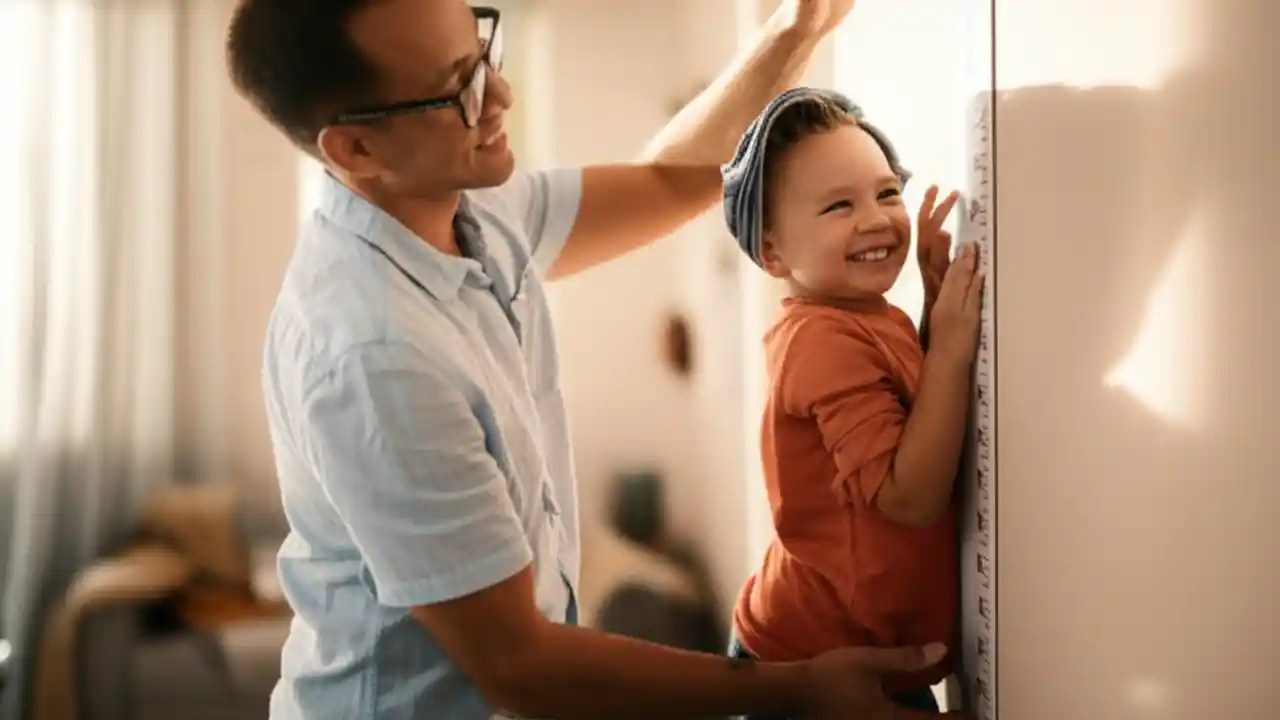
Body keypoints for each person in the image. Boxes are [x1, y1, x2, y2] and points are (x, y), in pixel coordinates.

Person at [225, 0, 962, 717]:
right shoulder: (374, 358)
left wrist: (799, 26)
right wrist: (793, 688)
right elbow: (520, 666)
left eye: (484, 50)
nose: (501, 93)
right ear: (356, 150)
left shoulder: (471, 207)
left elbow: (671, 179)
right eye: (459, 88)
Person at [719, 88, 983, 718]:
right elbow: (909, 496)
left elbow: (908, 415)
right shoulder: (818, 340)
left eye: (887, 193)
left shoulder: (867, 316)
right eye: (840, 205)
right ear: (773, 251)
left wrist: (931, 307)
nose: (875, 219)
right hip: (809, 669)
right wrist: (950, 350)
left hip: (863, 644)